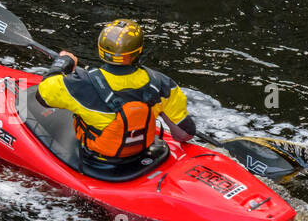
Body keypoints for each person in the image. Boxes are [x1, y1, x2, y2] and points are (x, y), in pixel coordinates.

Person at [35, 18, 198, 167]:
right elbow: (184, 135)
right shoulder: (161, 83)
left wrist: (62, 64)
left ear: (100, 49)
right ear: (139, 50)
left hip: (99, 160)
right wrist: (159, 111)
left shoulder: (80, 84)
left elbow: (43, 95)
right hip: (142, 155)